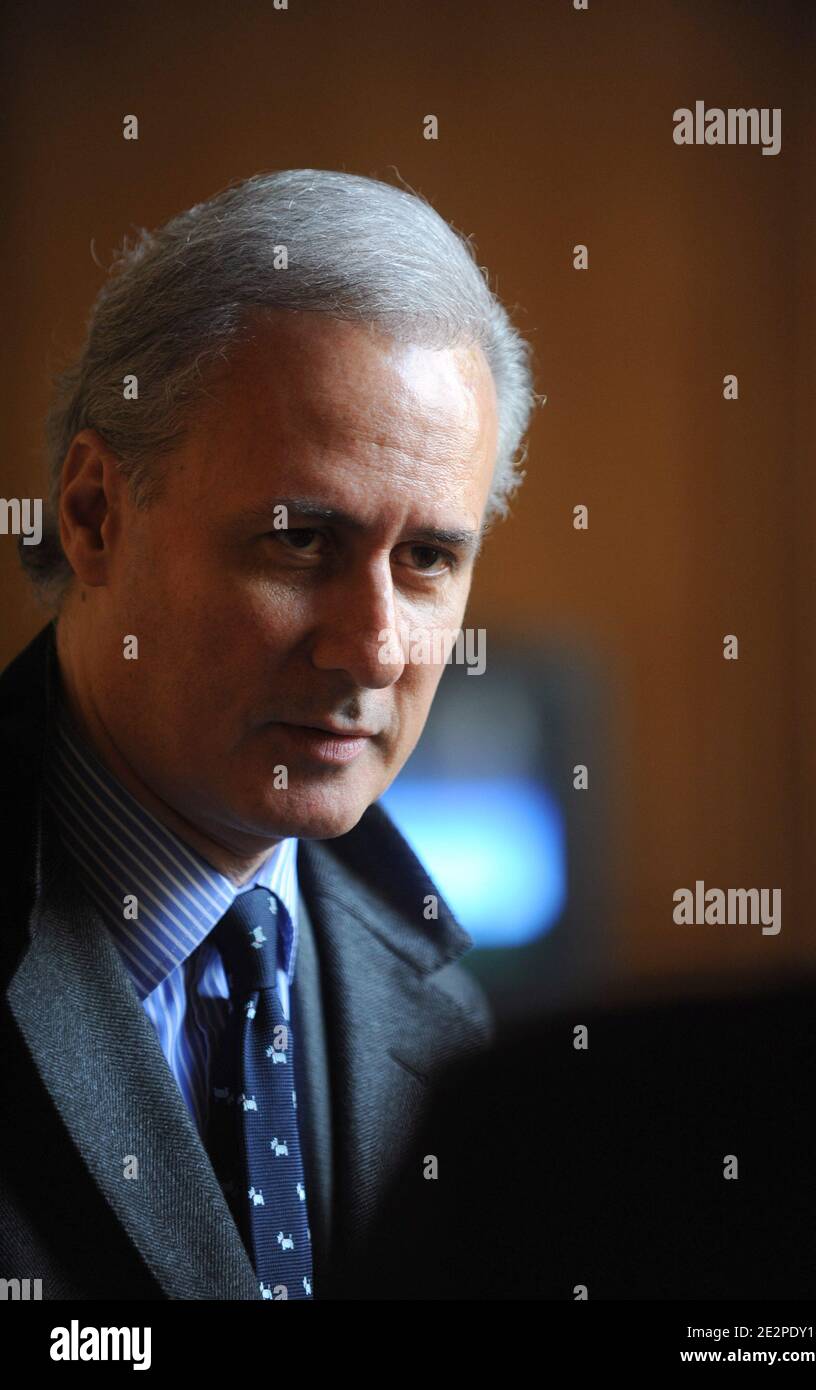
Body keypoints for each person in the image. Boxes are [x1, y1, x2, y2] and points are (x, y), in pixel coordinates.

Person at [0, 169, 538, 1300]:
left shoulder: (456, 1015)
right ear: (95, 513)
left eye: (428, 559)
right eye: (301, 544)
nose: (377, 649)